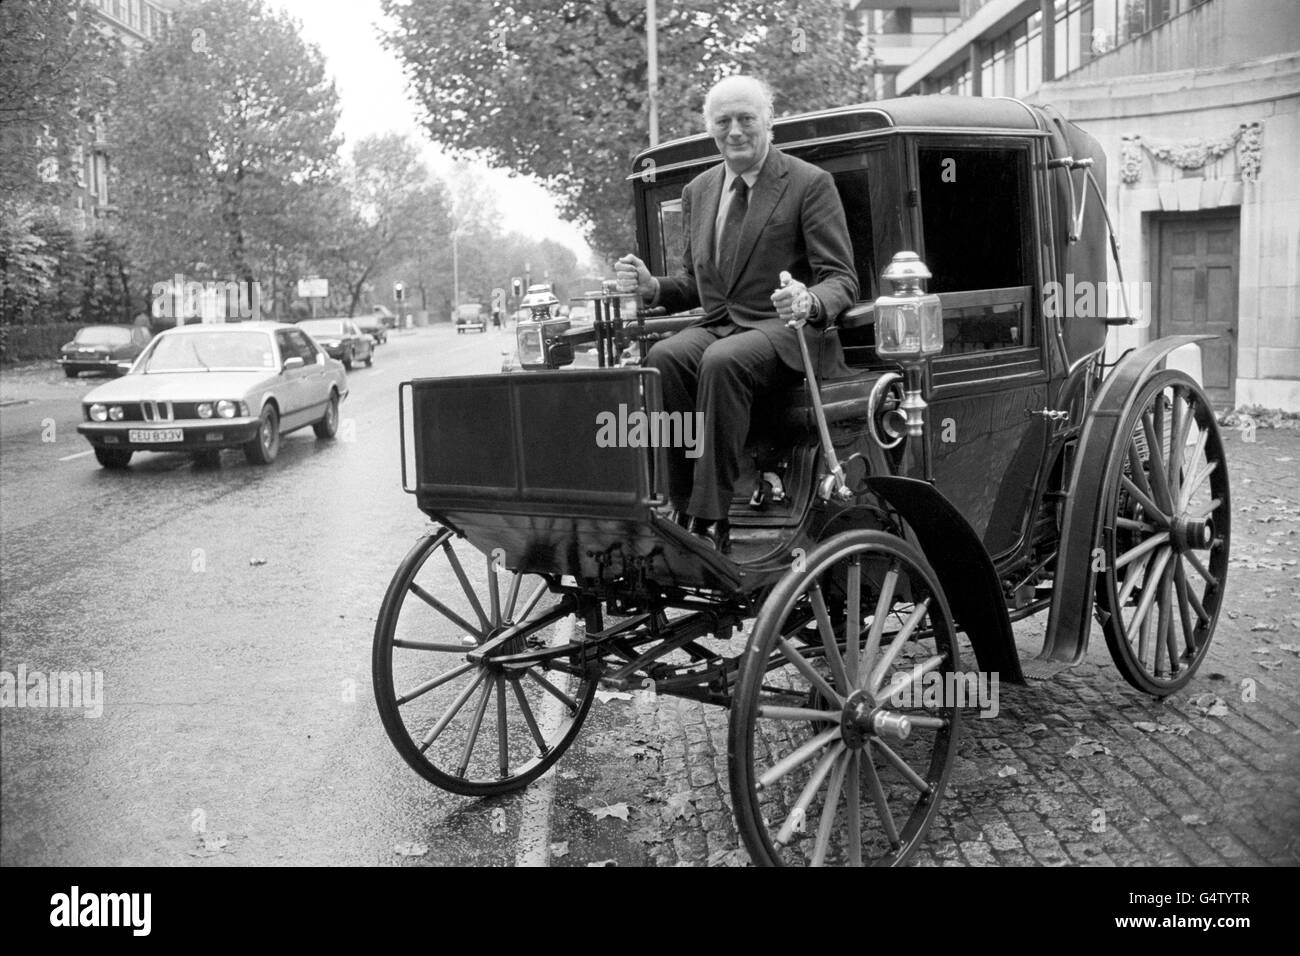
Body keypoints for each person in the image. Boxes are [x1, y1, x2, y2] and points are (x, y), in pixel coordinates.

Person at [615, 75, 858, 552]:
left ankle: (710, 517)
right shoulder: (700, 190)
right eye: (723, 122)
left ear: (769, 122)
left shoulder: (809, 183)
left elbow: (842, 279)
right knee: (663, 358)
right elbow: (695, 284)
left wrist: (809, 301)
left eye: (747, 119)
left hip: (784, 332)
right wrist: (653, 287)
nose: (735, 131)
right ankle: (680, 503)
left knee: (722, 361)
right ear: (712, 130)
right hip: (721, 325)